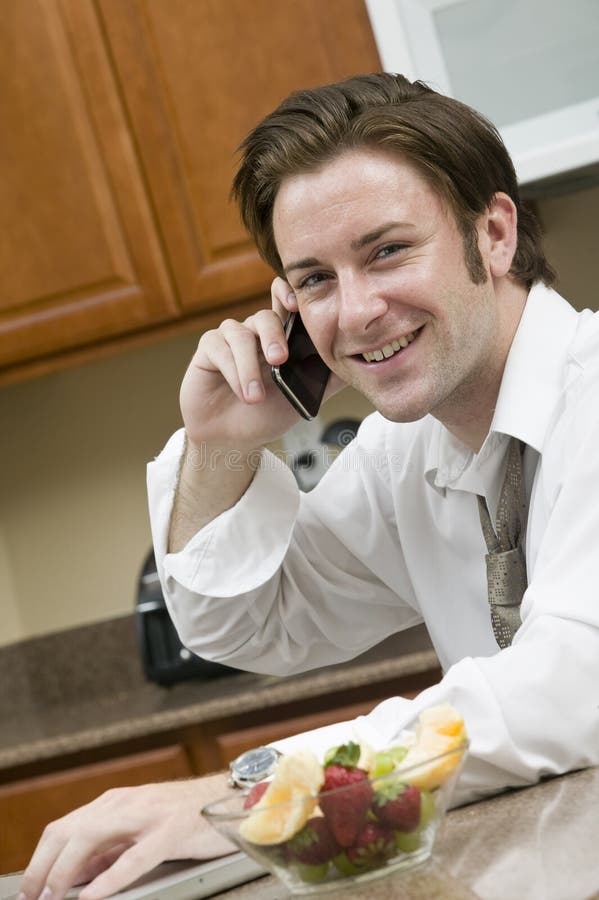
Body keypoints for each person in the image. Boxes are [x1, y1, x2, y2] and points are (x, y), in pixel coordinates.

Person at [20, 73, 599, 900]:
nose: (356, 311)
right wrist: (222, 446)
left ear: (495, 232)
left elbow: (571, 686)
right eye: (316, 279)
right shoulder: (405, 453)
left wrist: (252, 795)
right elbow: (243, 625)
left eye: (386, 250)